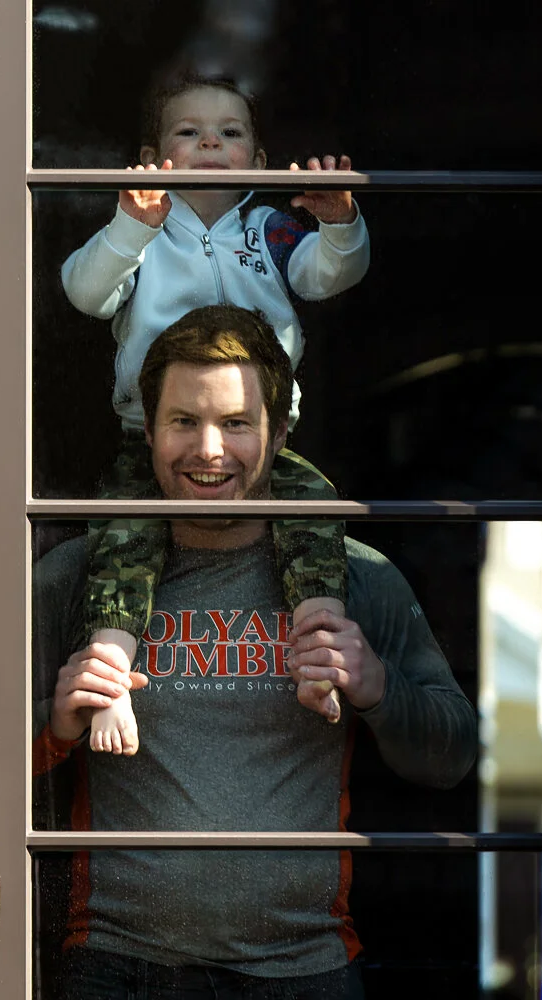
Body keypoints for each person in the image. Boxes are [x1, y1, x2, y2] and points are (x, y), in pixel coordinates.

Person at [32, 305, 476, 999]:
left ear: (280, 432)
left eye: (236, 423)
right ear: (147, 430)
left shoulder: (358, 578)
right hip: (116, 965)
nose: (209, 450)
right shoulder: (76, 576)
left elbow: (452, 757)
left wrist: (379, 688)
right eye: (184, 421)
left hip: (306, 970)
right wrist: (56, 723)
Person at [60, 68, 372, 754]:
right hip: (151, 437)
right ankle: (110, 680)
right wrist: (129, 227)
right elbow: (85, 292)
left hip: (259, 443)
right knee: (122, 543)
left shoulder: (270, 232)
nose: (209, 143)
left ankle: (319, 658)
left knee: (313, 518)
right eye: (189, 131)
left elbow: (329, 275)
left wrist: (339, 223)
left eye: (229, 133)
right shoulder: (143, 234)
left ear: (257, 160)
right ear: (154, 157)